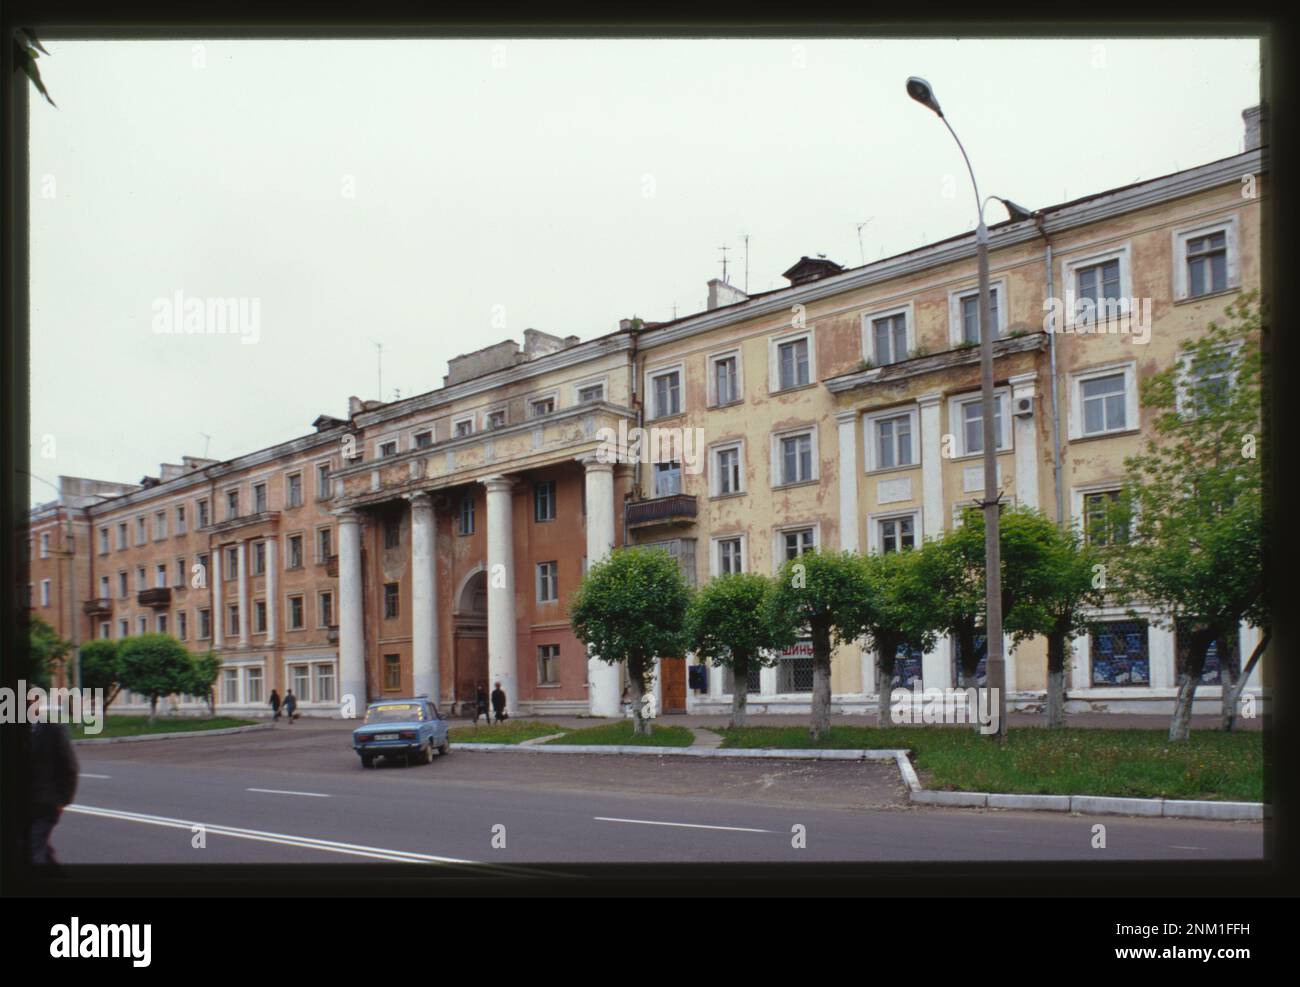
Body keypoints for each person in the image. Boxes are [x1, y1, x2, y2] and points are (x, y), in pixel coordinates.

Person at [29, 719, 78, 866]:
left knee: (33, 852)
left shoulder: (53, 729)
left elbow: (70, 767)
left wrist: (63, 800)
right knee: (39, 849)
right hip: (23, 806)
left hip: (45, 804)